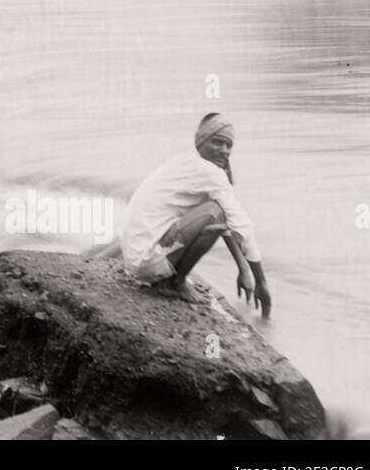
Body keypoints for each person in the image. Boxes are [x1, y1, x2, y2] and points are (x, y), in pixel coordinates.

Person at [102, 113, 271, 317]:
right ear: (201, 141)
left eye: (229, 145)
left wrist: (243, 269)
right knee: (215, 211)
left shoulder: (188, 161)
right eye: (217, 142)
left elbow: (228, 225)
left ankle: (170, 278)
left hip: (138, 255)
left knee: (217, 211)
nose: (224, 151)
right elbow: (241, 226)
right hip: (148, 260)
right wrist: (261, 282)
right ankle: (175, 282)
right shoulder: (209, 172)